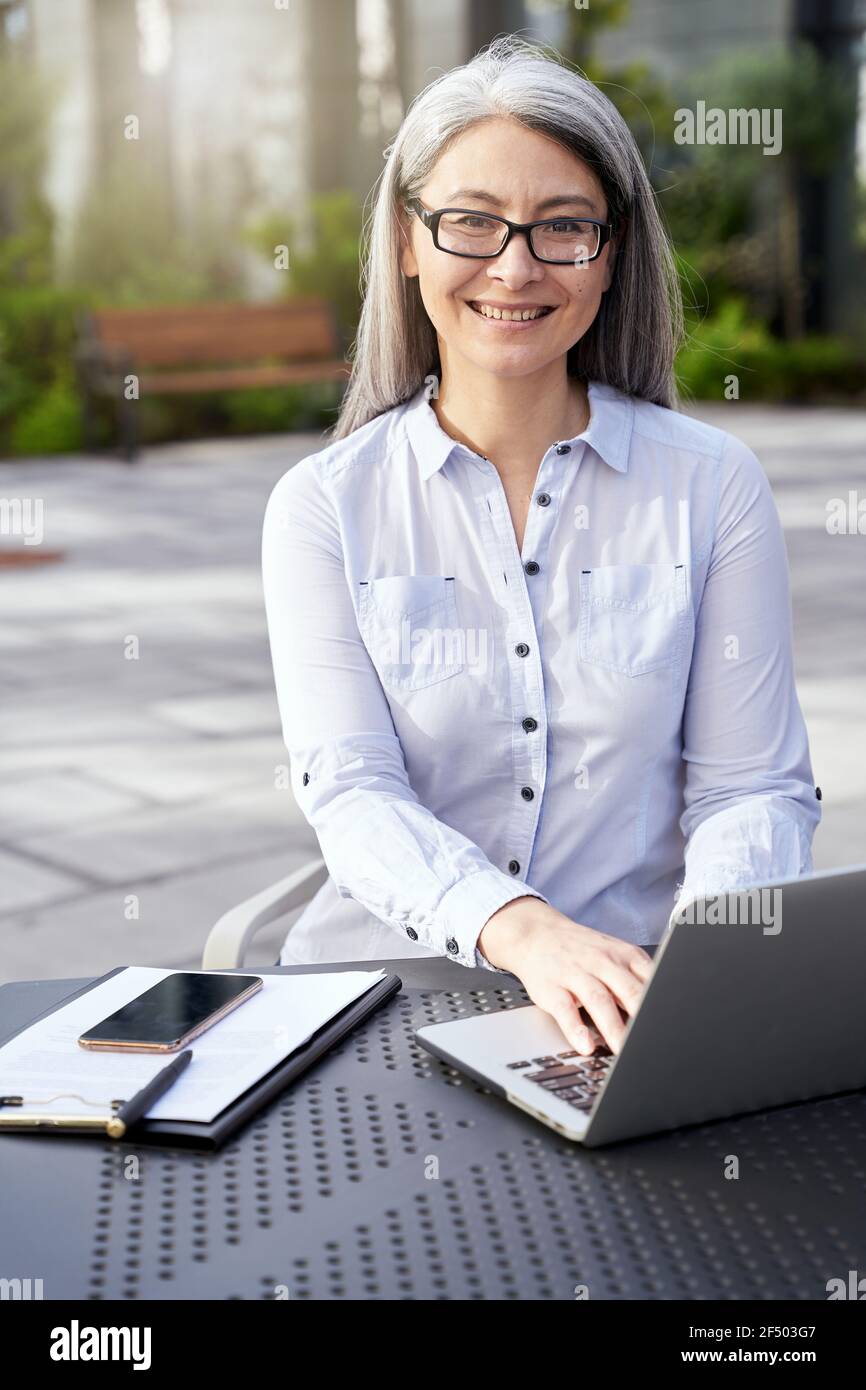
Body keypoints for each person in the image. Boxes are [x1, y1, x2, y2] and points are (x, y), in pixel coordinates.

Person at [261, 35, 820, 1057]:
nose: (513, 267)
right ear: (405, 239)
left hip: (629, 1010)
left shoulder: (709, 486)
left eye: (562, 227)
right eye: (470, 222)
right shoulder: (322, 508)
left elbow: (749, 790)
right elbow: (353, 792)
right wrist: (526, 933)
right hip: (382, 1004)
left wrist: (709, 977)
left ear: (609, 255)